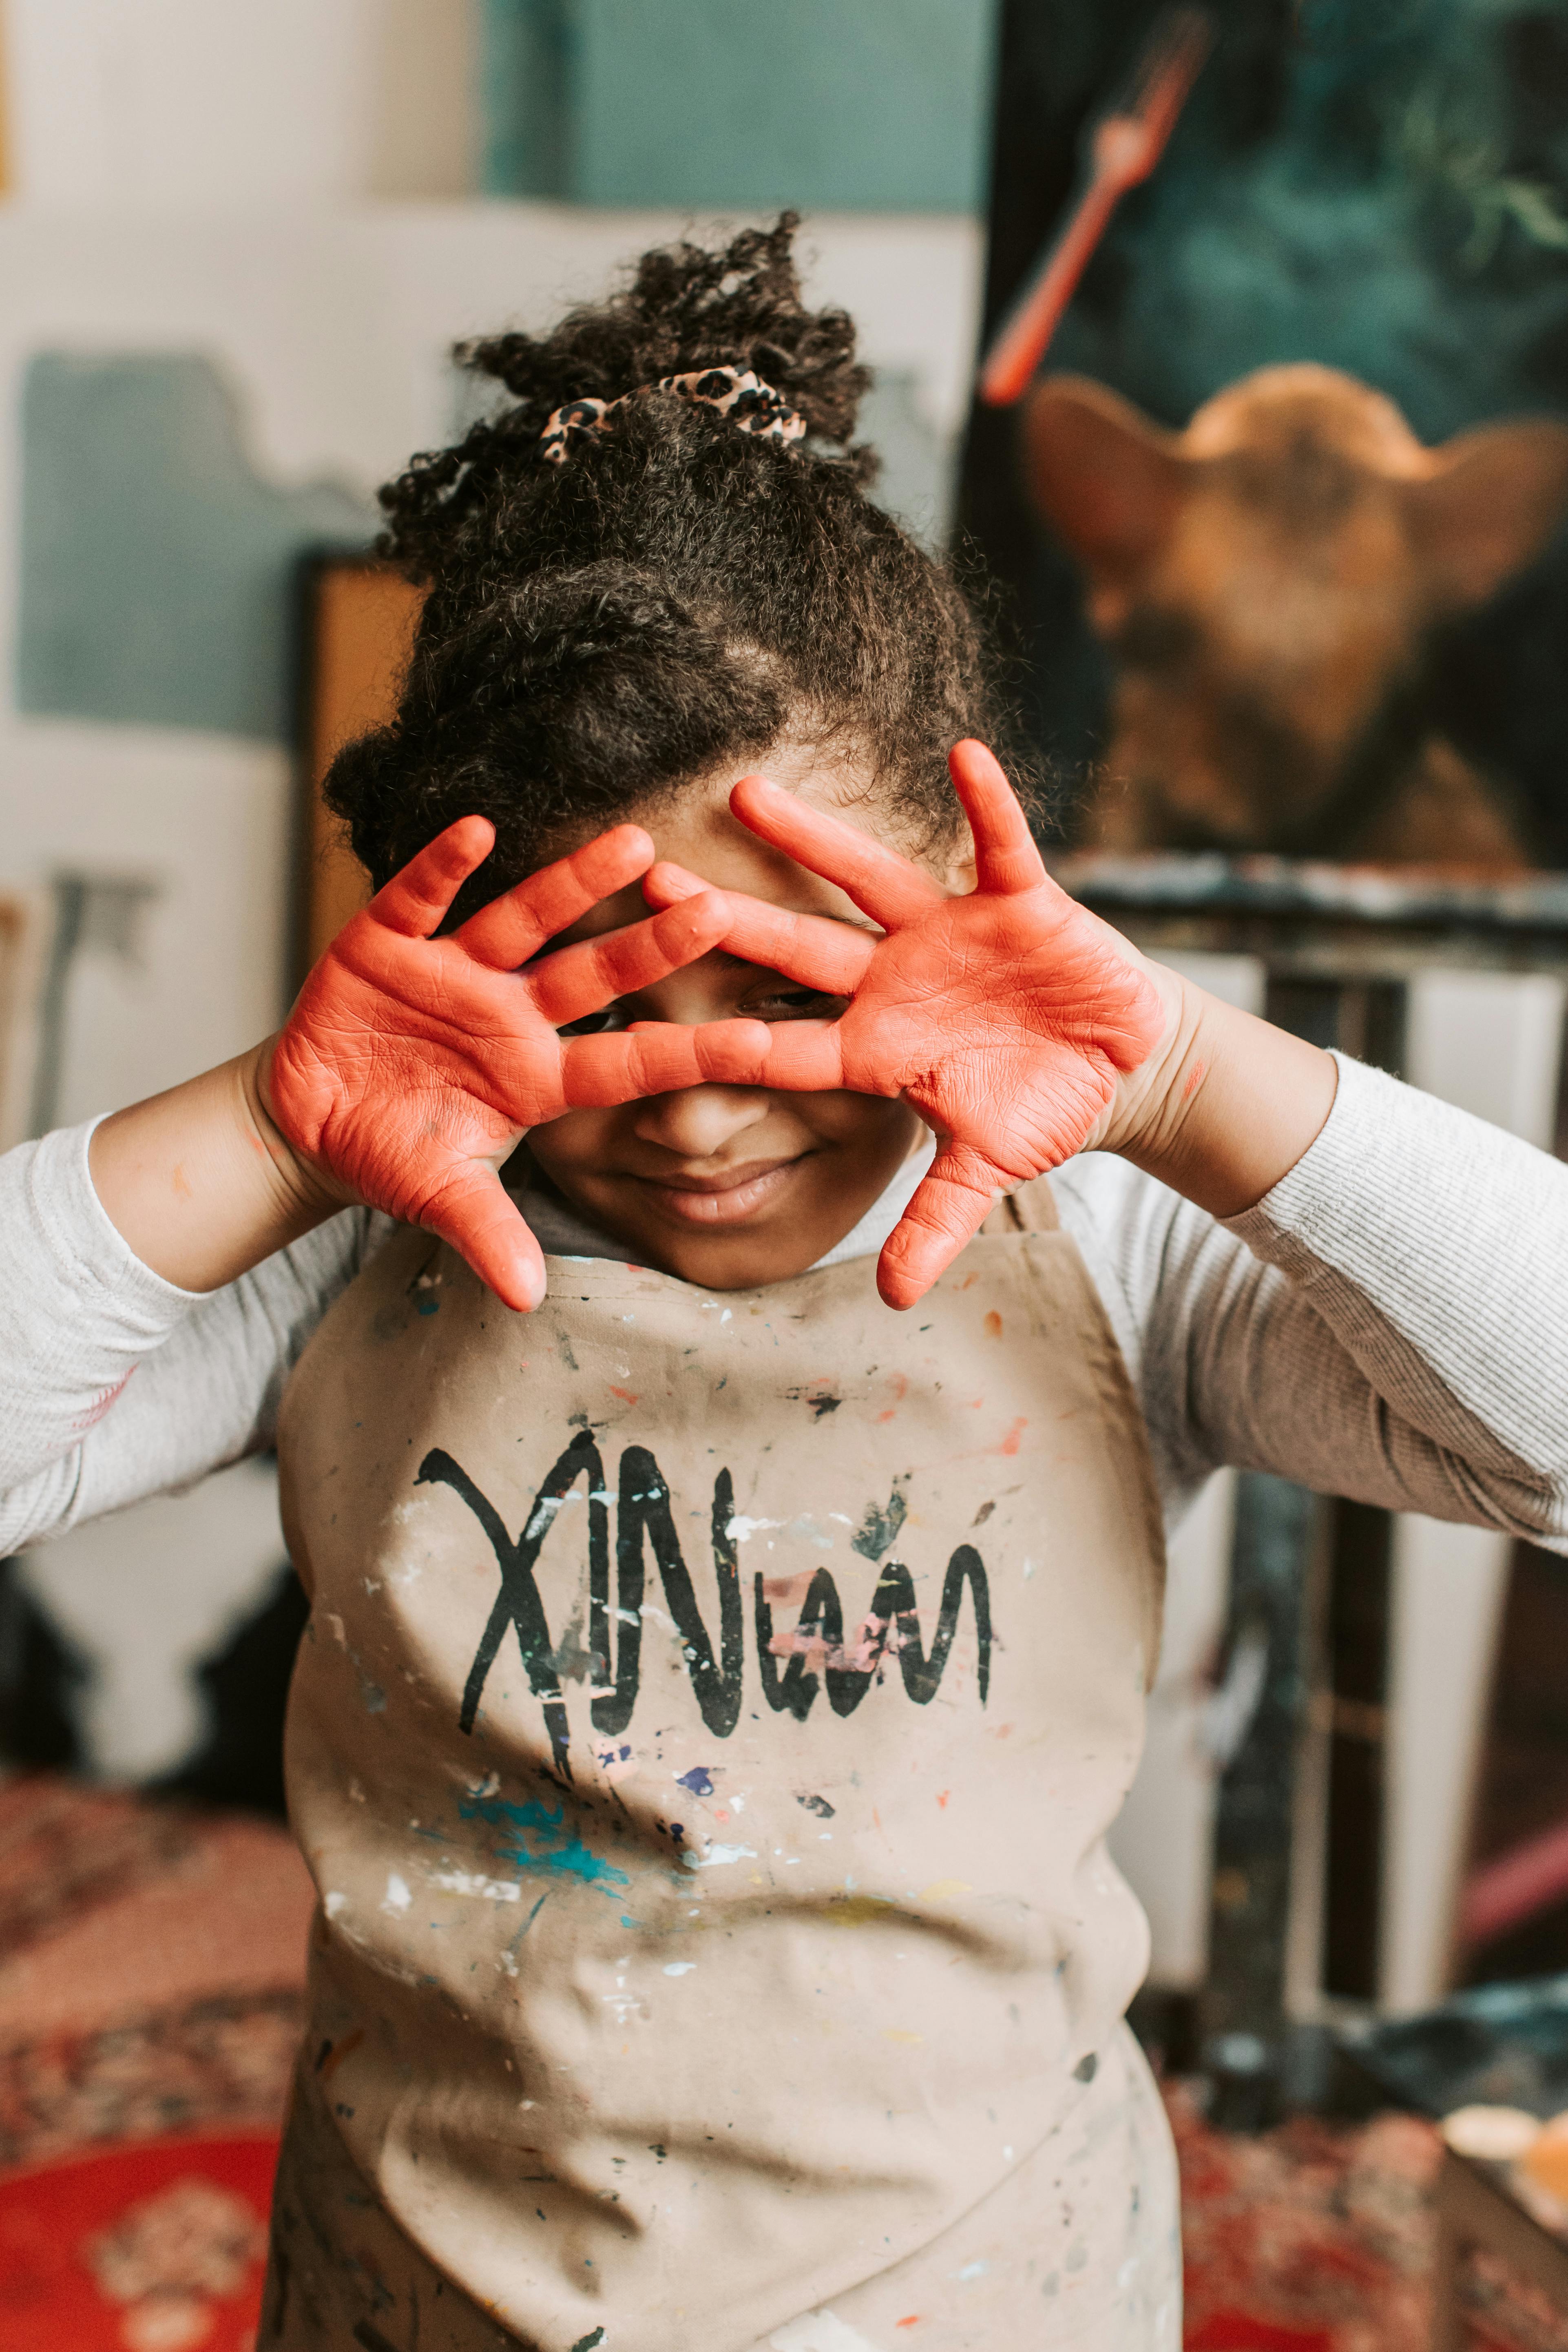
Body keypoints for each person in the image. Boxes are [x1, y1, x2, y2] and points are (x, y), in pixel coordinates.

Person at [3, 216, 1565, 2352]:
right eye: (612, 998)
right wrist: (271, 1129)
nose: (704, 1103)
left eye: (801, 990)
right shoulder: (358, 1259)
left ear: (960, 891)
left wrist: (1184, 1070)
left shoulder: (1100, 1245)